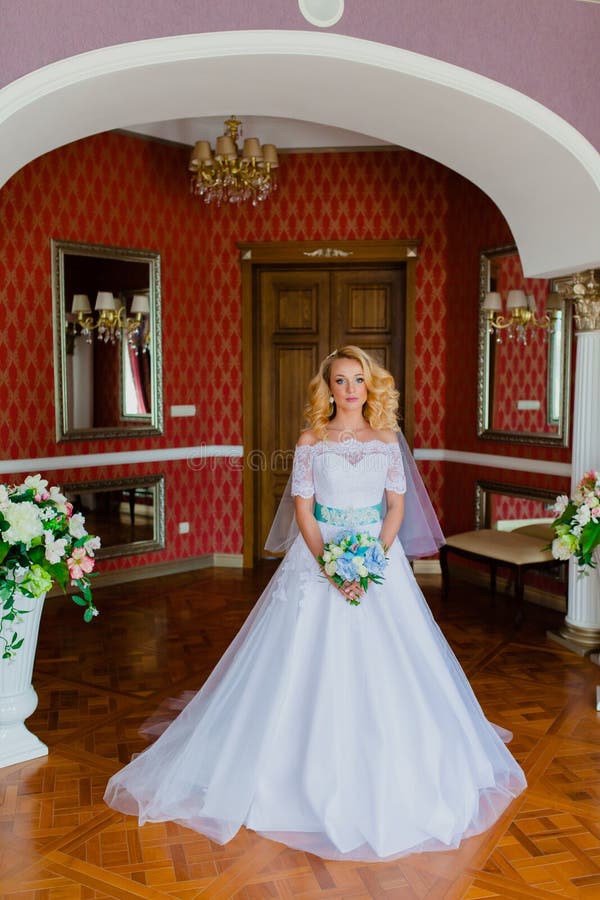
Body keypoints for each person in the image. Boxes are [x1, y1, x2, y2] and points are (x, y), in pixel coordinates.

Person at [104, 346, 526, 862]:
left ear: (371, 386)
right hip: (318, 557)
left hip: (376, 558)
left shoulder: (388, 441)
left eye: (358, 380)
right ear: (327, 388)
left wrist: (373, 559)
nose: (350, 389)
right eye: (341, 381)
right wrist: (330, 563)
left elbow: (395, 508)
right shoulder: (311, 442)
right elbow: (304, 510)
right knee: (295, 658)